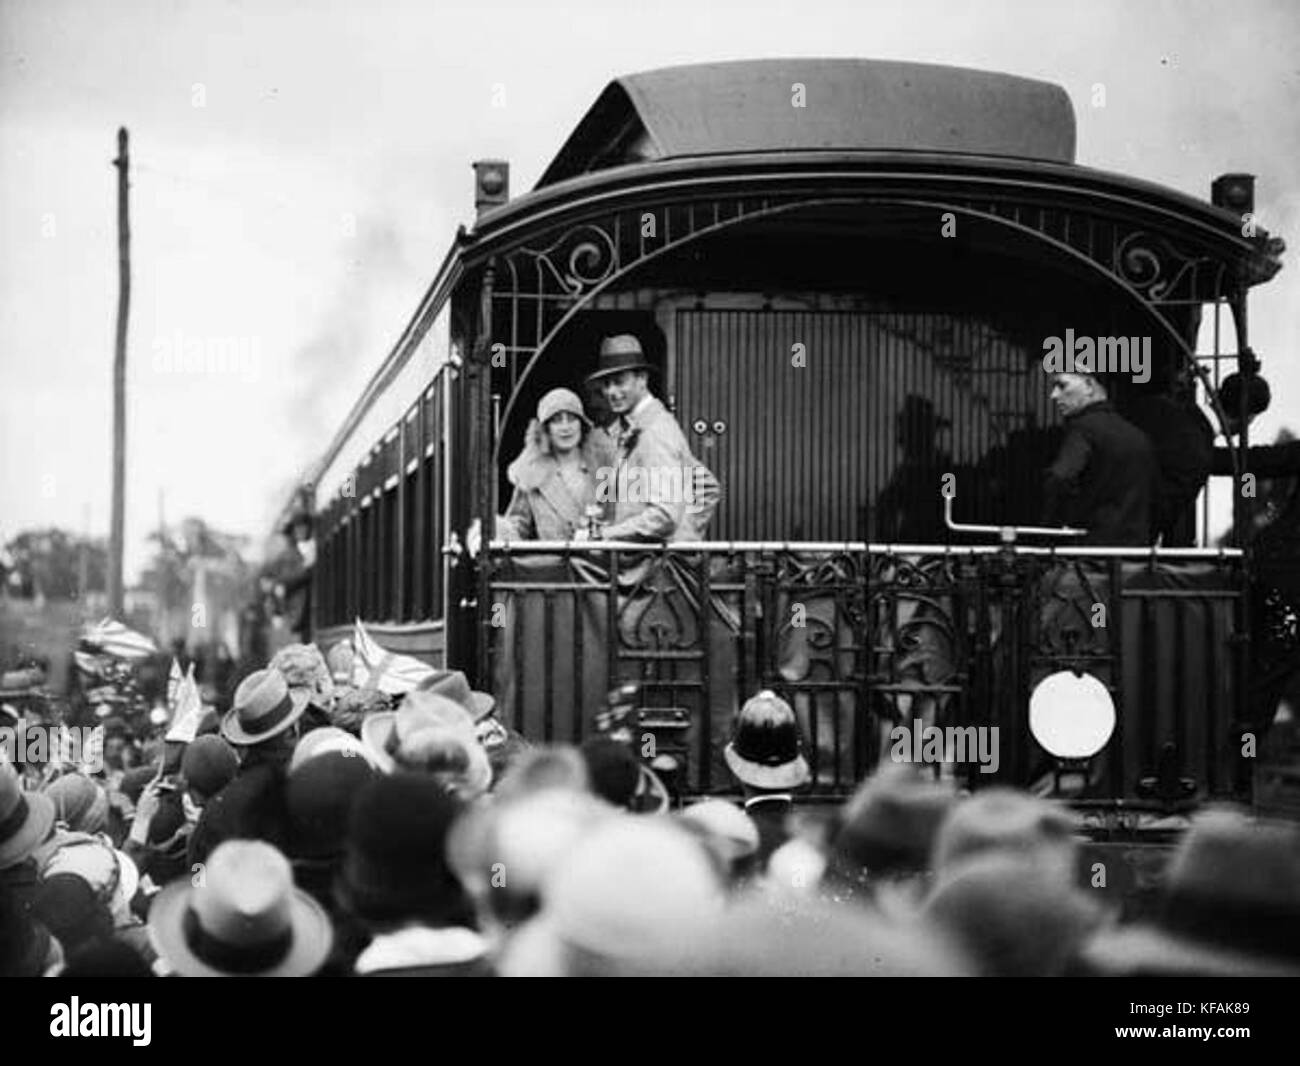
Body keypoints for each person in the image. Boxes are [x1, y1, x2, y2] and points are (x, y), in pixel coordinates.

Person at [586, 334, 719, 542]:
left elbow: (665, 515)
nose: (611, 391)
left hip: (650, 567)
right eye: (607, 383)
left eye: (620, 382)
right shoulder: (641, 425)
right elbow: (707, 486)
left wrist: (603, 534)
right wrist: (686, 532)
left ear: (642, 379)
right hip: (645, 562)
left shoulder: (655, 431)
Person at [1042, 372, 1156, 545]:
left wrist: (1054, 524)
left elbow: (1060, 477)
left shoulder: (1083, 429)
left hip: (1091, 551)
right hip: (1135, 552)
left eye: (1062, 385)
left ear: (1088, 386)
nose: (1054, 395)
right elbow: (1155, 494)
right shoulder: (1139, 436)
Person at [497, 388, 611, 541]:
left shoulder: (604, 464)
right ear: (545, 429)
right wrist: (495, 532)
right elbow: (517, 526)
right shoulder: (531, 474)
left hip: (601, 562)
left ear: (581, 424)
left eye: (571, 418)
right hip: (555, 563)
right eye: (556, 420)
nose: (565, 427)